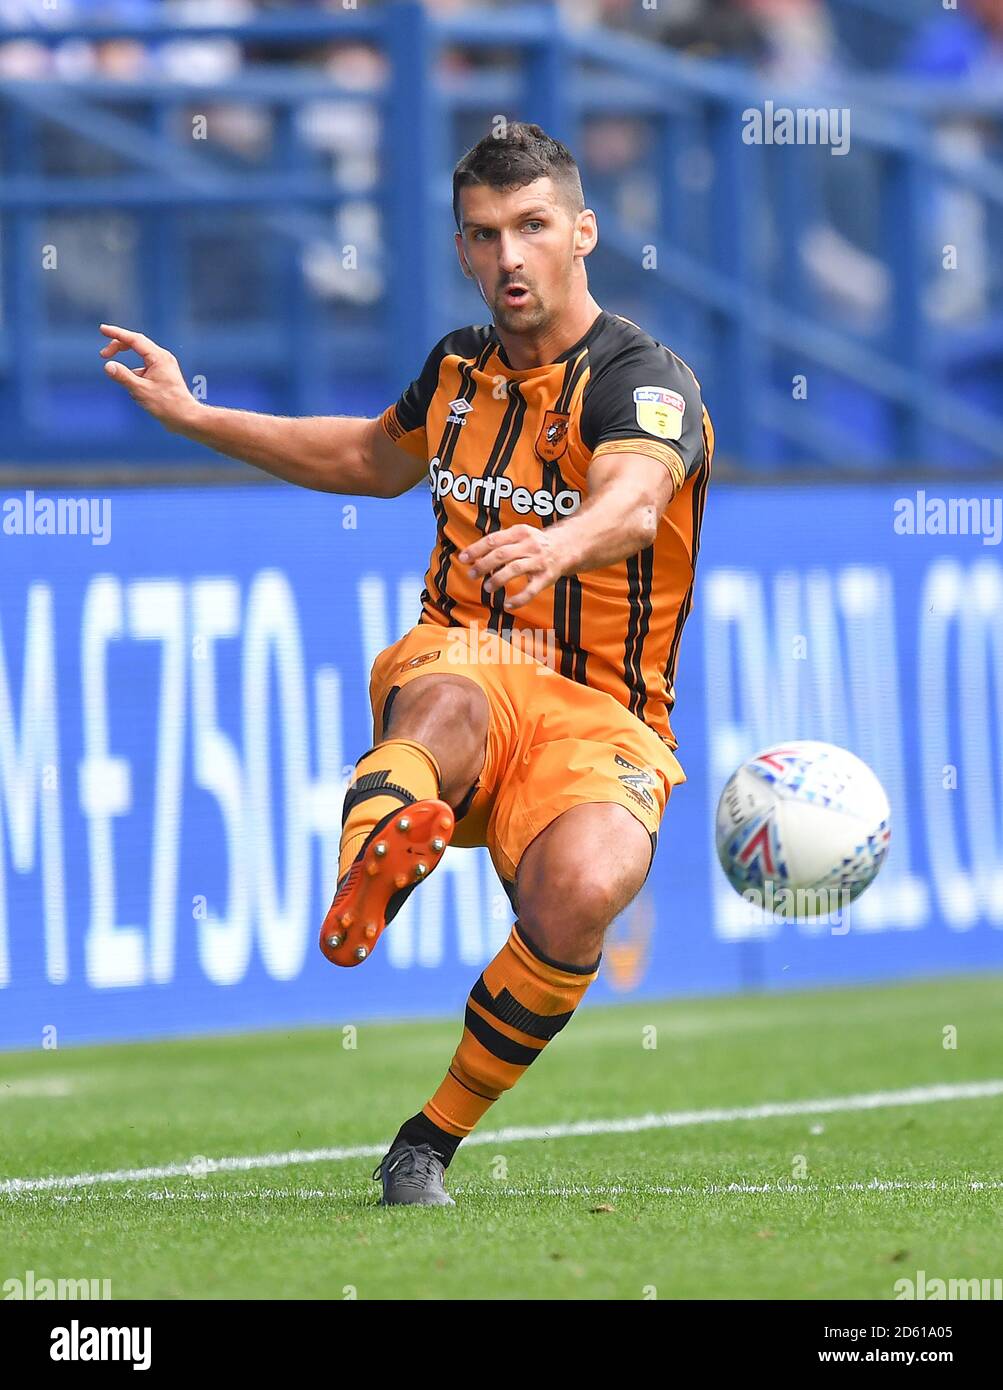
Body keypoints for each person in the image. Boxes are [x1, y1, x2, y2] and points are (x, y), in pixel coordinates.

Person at [99, 121, 713, 1207]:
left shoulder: (641, 376)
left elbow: (632, 500)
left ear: (584, 232)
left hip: (605, 712)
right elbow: (367, 458)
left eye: (532, 228)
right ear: (463, 247)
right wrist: (195, 414)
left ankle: (424, 1142)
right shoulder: (458, 369)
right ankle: (371, 864)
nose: (509, 257)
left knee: (581, 892)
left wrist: (559, 541)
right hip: (467, 649)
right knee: (444, 694)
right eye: (484, 236)